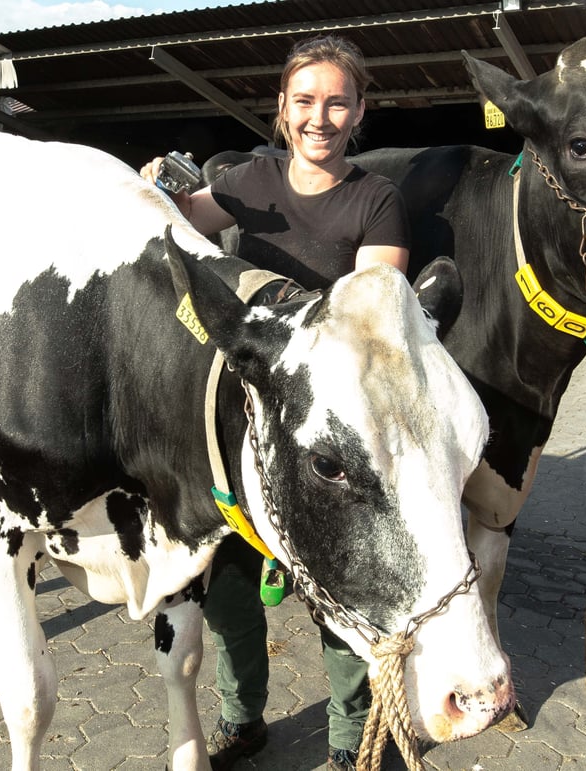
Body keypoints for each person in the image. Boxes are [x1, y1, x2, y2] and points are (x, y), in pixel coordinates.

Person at [141, 34, 410, 771]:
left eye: (336, 102)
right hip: (234, 415)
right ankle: (242, 717)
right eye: (304, 101)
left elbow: (373, 310)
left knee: (341, 587)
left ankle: (355, 739)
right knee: (224, 577)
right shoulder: (250, 181)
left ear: (360, 111)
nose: (319, 117)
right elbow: (174, 220)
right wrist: (155, 187)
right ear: (282, 108)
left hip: (327, 420)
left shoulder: (376, 199)